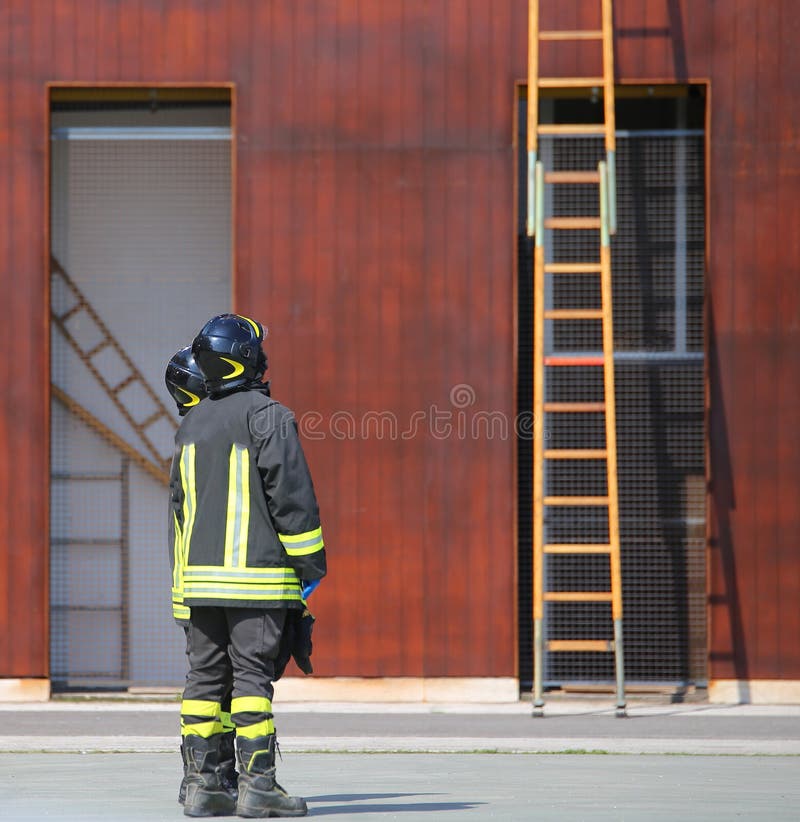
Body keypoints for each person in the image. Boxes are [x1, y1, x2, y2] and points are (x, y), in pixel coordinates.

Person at [169, 314, 326, 818]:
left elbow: (180, 510)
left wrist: (181, 590)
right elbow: (293, 499)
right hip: (256, 581)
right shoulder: (269, 415)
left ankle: (202, 787)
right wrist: (310, 566)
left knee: (204, 682)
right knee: (252, 680)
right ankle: (259, 789)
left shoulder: (192, 423)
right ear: (246, 360)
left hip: (199, 584)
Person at [165, 347, 238, 807]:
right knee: (224, 685)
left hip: (191, 587)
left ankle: (200, 778)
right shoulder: (207, 439)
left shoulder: (190, 438)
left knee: (208, 684)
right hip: (213, 586)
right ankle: (218, 776)